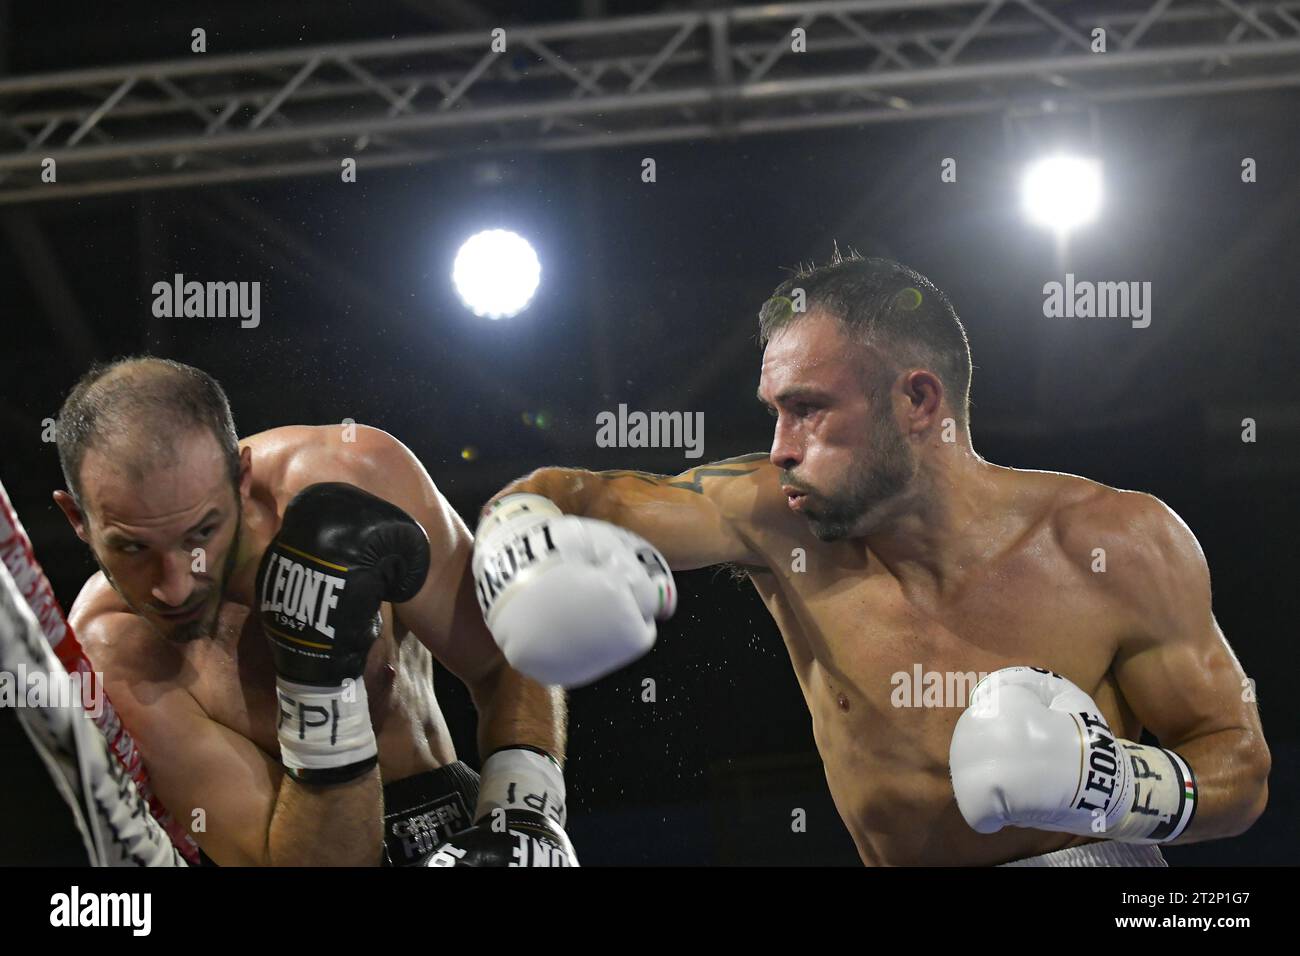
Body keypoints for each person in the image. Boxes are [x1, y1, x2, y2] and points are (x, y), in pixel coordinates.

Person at [472, 253, 1270, 866]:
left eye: (808, 410)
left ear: (917, 402)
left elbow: (1238, 769)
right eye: (775, 414)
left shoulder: (1115, 541)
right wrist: (519, 527)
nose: (781, 448)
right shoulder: (773, 519)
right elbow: (576, 494)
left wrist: (1113, 786)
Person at [54, 357, 572, 866]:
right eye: (133, 549)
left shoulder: (353, 471)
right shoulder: (115, 654)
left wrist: (523, 813)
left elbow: (505, 655)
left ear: (240, 477)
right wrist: (320, 688)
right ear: (77, 517)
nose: (174, 587)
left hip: (466, 819)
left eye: (200, 533)